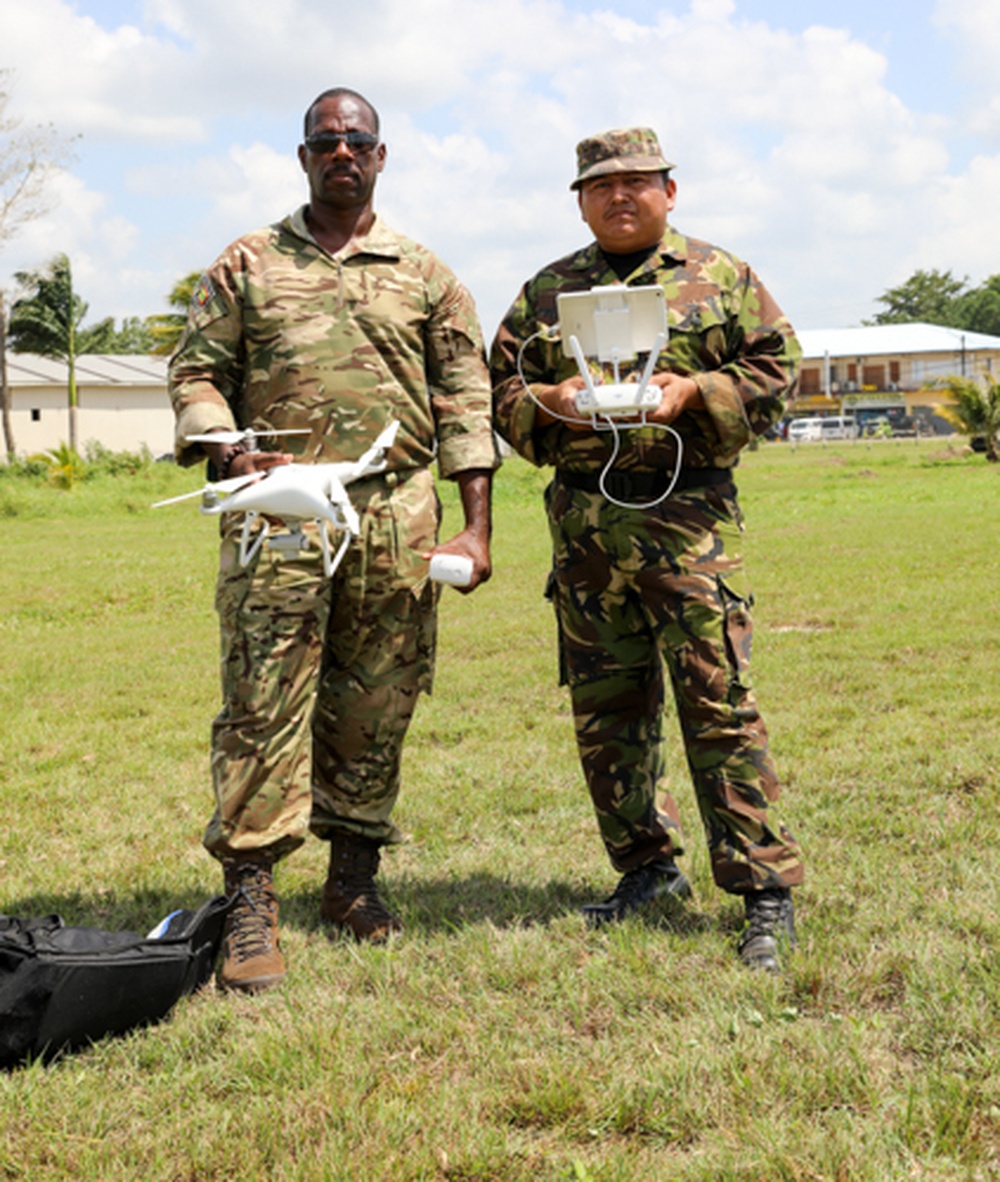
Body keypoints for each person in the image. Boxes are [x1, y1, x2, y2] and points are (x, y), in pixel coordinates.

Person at [168, 88, 499, 992]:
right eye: (327, 140)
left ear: (381, 157)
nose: (342, 152)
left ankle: (352, 884)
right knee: (262, 695)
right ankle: (250, 902)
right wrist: (222, 439)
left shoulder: (426, 274)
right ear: (303, 155)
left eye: (358, 140)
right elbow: (197, 369)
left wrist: (474, 528)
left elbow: (467, 404)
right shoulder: (247, 263)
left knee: (378, 699)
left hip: (396, 514)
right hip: (278, 508)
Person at [489, 127, 804, 971]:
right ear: (581, 199)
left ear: (670, 189)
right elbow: (498, 392)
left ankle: (764, 893)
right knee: (607, 712)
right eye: (600, 186)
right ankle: (646, 870)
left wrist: (696, 389)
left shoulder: (723, 278)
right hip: (587, 532)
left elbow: (781, 374)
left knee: (718, 702)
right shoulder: (547, 291)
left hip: (689, 522)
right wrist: (549, 400)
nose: (619, 196)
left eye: (636, 182)